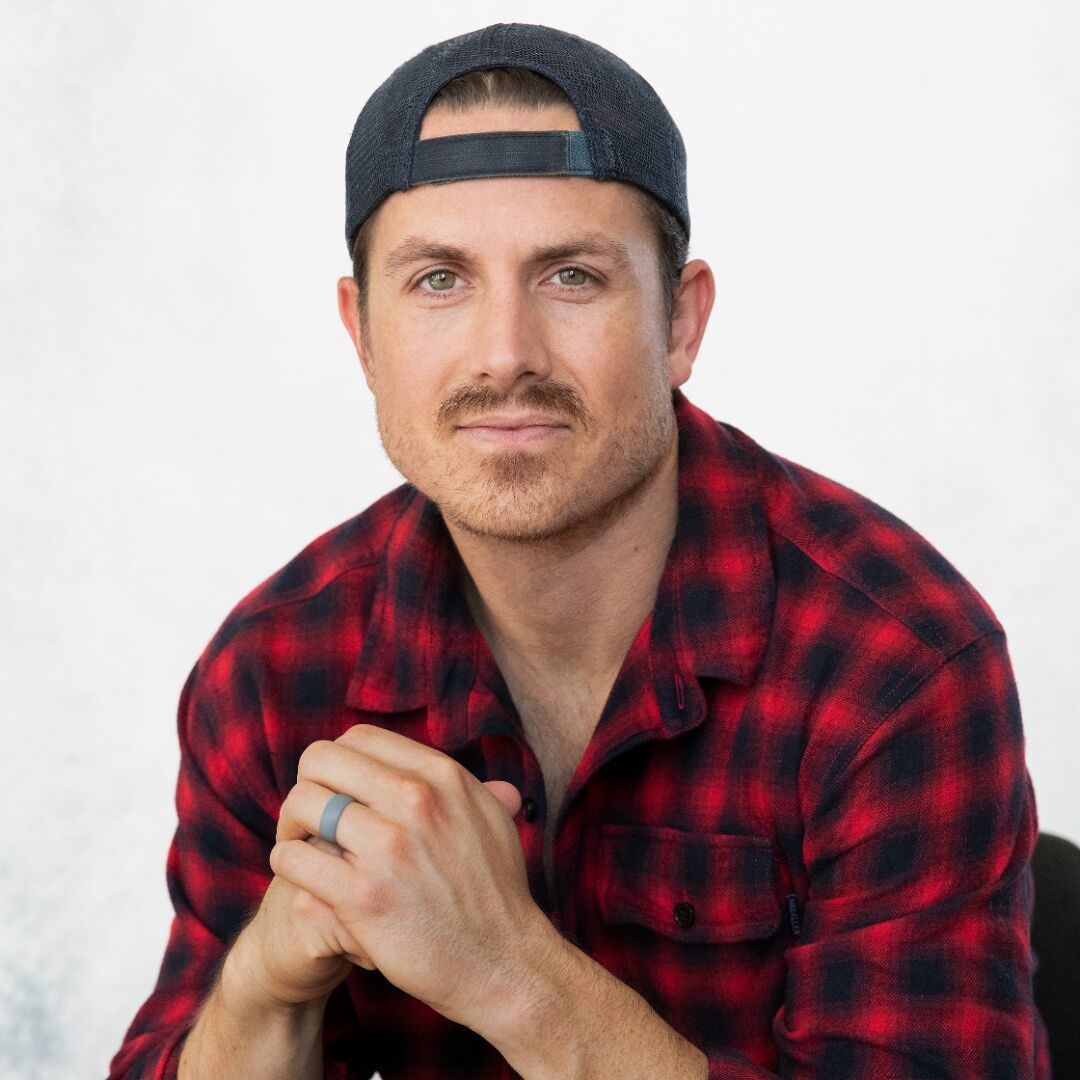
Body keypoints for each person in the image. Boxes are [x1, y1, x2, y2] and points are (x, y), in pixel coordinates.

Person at [107, 22, 1051, 1080]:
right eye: (439, 280)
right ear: (363, 335)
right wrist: (263, 990)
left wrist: (506, 971)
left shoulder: (896, 659)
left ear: (680, 323)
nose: (504, 355)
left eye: (570, 276)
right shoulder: (273, 673)